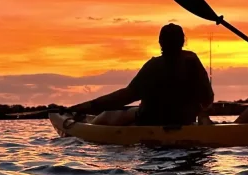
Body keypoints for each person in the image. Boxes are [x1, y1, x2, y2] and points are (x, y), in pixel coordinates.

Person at [68, 23, 213, 126]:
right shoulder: (192, 61)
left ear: (160, 42)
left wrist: (84, 107)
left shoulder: (154, 66)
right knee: (129, 112)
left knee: (108, 116)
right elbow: (208, 98)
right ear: (183, 41)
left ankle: (88, 123)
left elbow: (125, 96)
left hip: (149, 121)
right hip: (185, 121)